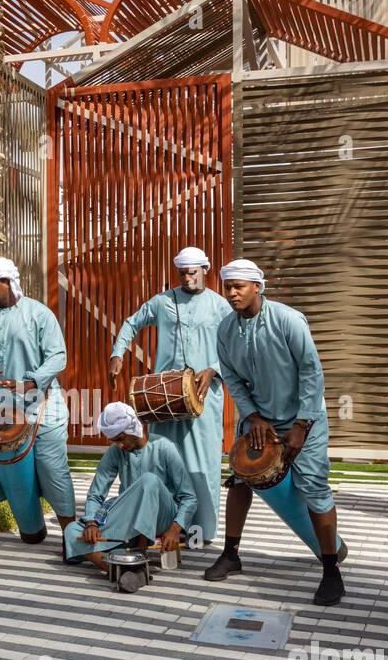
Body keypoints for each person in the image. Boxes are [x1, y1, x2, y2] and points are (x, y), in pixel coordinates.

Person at [212, 258, 346, 605]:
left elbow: (311, 373)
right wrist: (253, 417)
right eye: (228, 286)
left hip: (306, 418)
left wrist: (301, 425)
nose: (231, 293)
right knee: (239, 478)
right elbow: (232, 379)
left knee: (314, 488)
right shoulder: (225, 330)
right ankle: (231, 554)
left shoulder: (288, 320)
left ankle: (331, 570)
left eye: (239, 286)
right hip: (259, 420)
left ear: (258, 286)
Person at [0, 257, 76, 561]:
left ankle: (71, 538)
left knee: (52, 468)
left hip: (41, 406)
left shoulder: (38, 314)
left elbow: (57, 357)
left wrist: (32, 383)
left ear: (8, 282)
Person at [108, 246, 233, 545]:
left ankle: (202, 532)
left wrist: (213, 369)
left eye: (193, 272)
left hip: (204, 397)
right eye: (183, 273)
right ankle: (162, 524)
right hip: (162, 398)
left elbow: (235, 350)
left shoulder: (220, 306)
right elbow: (131, 323)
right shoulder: (163, 302)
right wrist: (118, 353)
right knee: (161, 460)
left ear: (205, 269)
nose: (188, 278)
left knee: (202, 464)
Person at [62, 401, 197, 570]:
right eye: (114, 440)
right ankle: (114, 569)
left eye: (120, 438)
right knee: (71, 530)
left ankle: (138, 552)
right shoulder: (115, 451)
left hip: (162, 518)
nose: (119, 445)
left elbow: (189, 497)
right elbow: (96, 494)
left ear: (134, 428)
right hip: (129, 520)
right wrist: (91, 523)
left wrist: (175, 529)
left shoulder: (165, 447)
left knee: (149, 480)